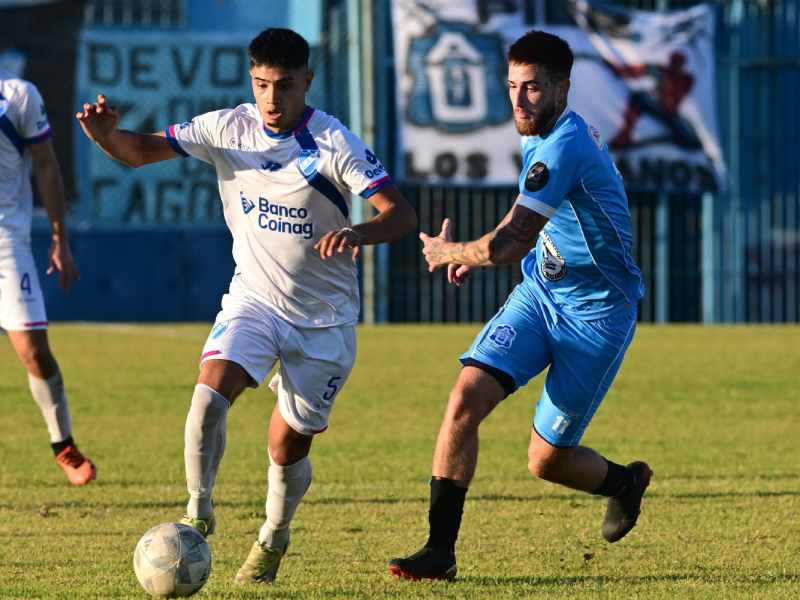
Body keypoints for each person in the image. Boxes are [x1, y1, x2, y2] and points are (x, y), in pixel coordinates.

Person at [76, 28, 417, 585]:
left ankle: (273, 538)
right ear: (251, 79)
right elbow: (137, 152)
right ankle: (197, 513)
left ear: (308, 81)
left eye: (285, 85)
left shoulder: (335, 143)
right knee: (208, 395)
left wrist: (358, 232)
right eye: (261, 84)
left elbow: (401, 214)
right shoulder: (227, 127)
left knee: (285, 446)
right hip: (254, 300)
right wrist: (106, 137)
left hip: (325, 321)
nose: (271, 99)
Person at [389, 30, 651, 581]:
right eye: (511, 86)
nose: (518, 99)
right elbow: (522, 226)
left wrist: (454, 252)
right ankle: (440, 551)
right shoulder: (544, 132)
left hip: (597, 317)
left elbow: (511, 242)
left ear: (561, 88)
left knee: (545, 462)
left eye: (531, 87)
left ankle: (626, 482)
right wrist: (477, 253)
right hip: (541, 297)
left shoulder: (562, 145)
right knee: (464, 398)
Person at [0, 68, 95, 486]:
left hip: (7, 242)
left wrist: (60, 239)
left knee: (35, 352)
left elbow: (46, 165)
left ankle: (64, 445)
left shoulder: (18, 95)